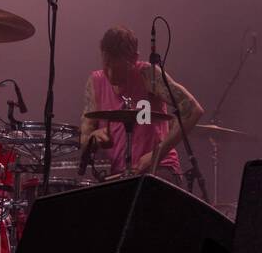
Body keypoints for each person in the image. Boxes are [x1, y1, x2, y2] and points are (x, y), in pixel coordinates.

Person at [81, 25, 202, 187]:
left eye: (117, 68)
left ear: (133, 59)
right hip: (119, 174)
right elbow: (84, 139)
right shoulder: (95, 82)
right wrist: (93, 139)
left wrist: (156, 154)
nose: (110, 74)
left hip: (160, 167)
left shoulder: (148, 75)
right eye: (106, 65)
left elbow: (193, 110)